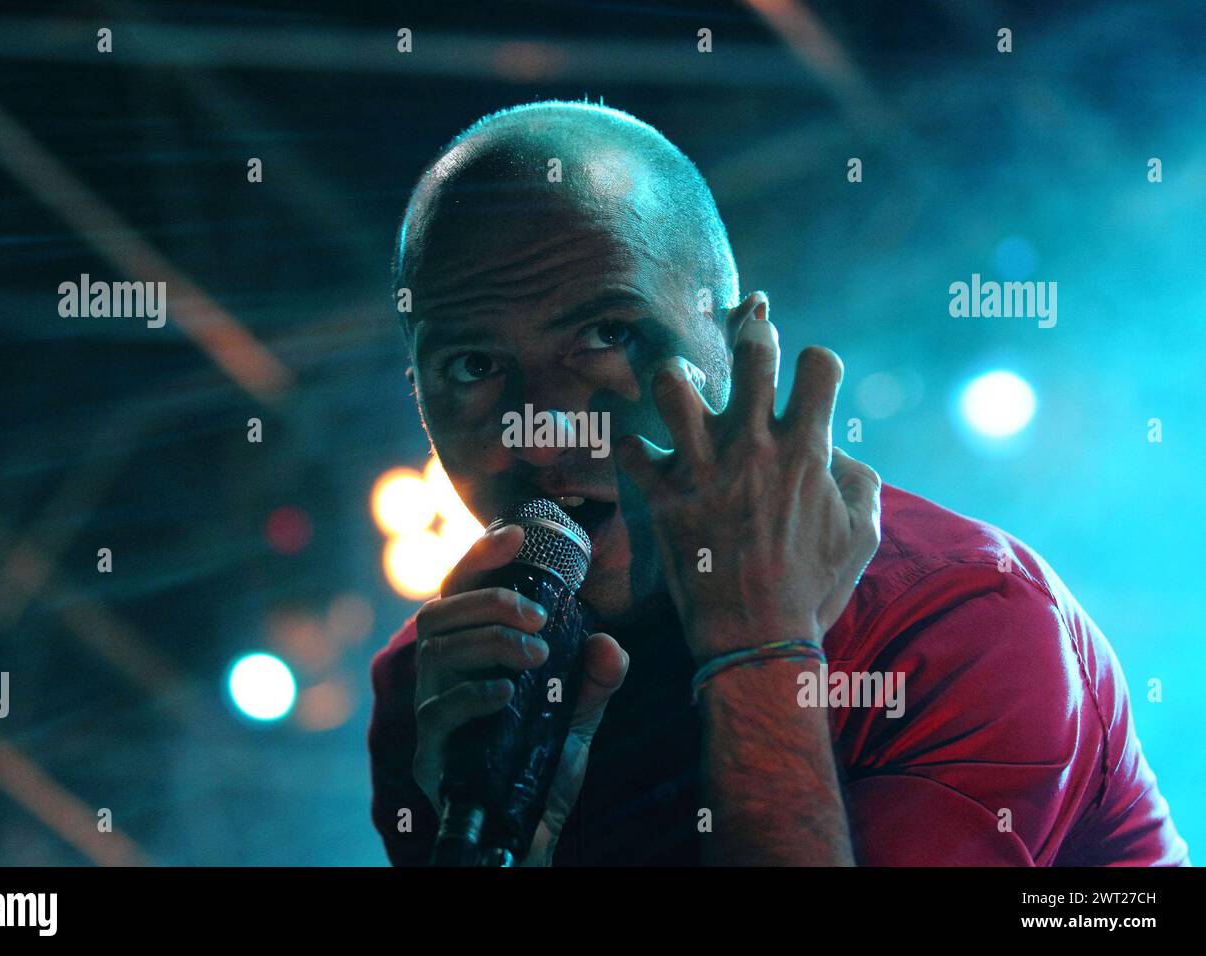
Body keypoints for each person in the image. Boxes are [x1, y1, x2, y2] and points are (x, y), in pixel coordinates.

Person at [367, 100, 1188, 866]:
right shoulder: (441, 681)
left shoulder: (958, 612)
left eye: (605, 333)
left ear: (733, 344)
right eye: (473, 365)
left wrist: (756, 646)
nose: (542, 430)